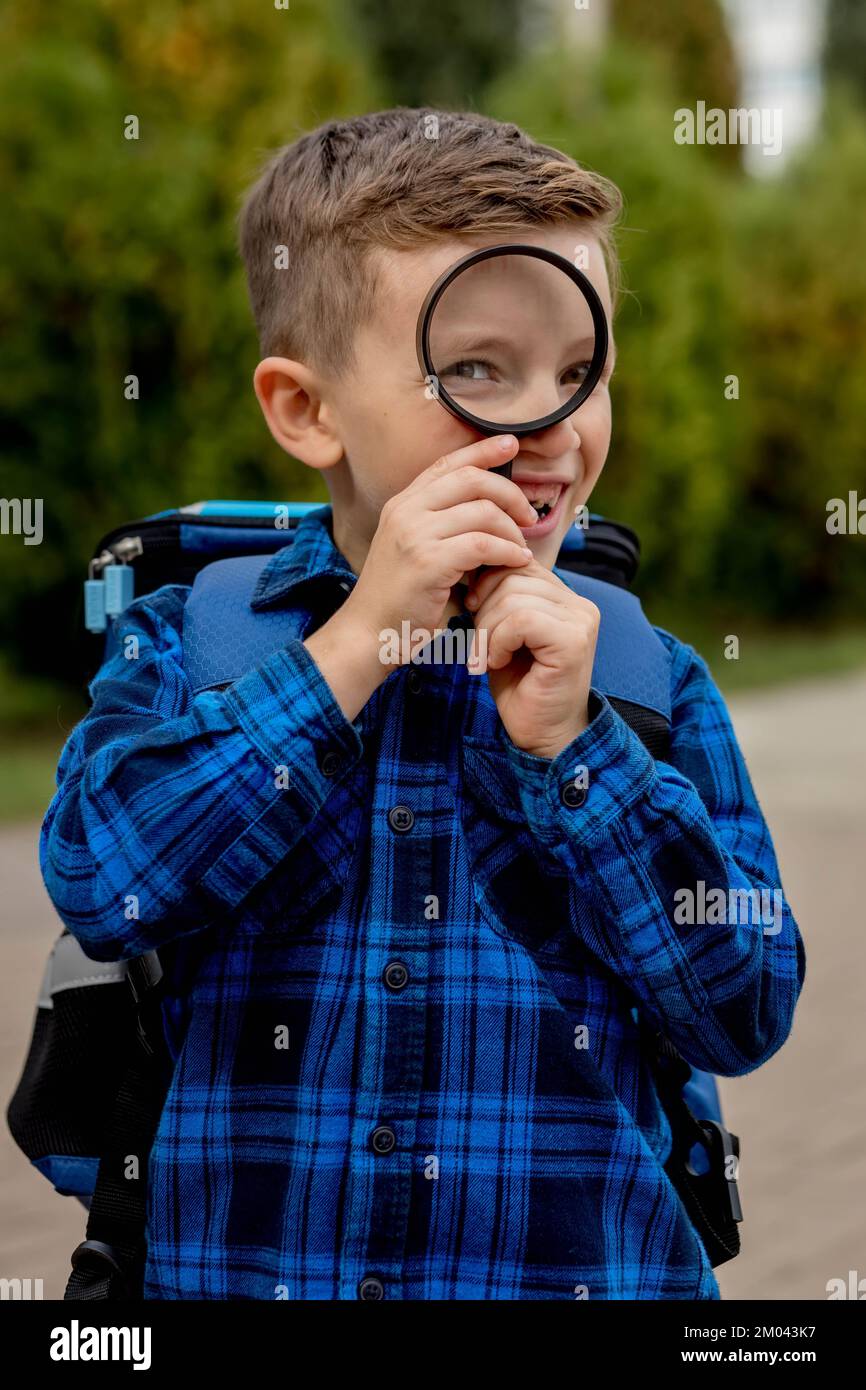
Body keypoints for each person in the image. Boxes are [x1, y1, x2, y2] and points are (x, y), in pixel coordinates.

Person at [39, 107, 805, 1300]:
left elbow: (743, 1009)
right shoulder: (198, 640)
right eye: (476, 369)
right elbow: (99, 881)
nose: (547, 424)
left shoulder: (642, 680)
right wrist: (346, 653)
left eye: (577, 370)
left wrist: (575, 755)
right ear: (307, 411)